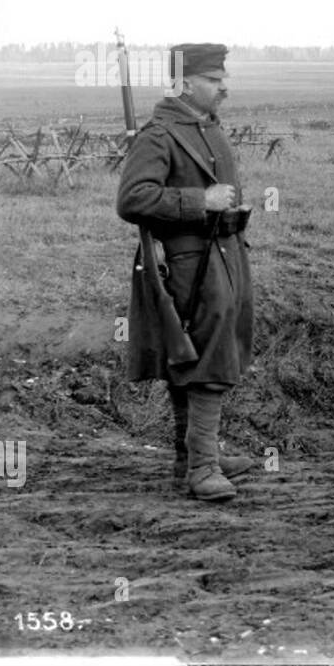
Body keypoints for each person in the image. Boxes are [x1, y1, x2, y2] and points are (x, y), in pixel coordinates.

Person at [117, 43, 256, 501]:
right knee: (203, 358)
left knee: (211, 350)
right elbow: (133, 199)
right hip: (187, 262)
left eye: (222, 79)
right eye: (215, 81)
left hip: (225, 255)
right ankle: (202, 467)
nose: (224, 88)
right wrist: (201, 201)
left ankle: (194, 454)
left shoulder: (207, 128)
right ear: (184, 83)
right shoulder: (158, 135)